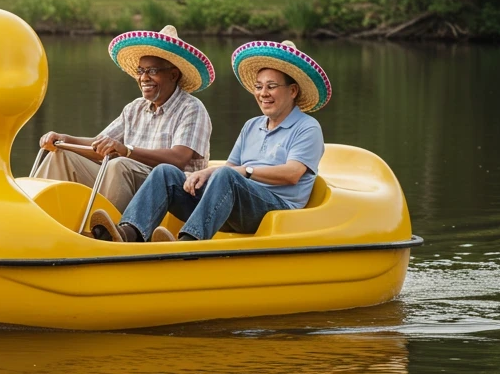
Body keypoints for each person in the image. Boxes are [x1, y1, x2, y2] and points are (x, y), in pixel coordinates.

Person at [90, 40, 331, 243]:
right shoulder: (252, 125)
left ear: (293, 91)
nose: (263, 93)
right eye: (258, 87)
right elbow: (229, 168)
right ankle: (128, 232)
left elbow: (292, 174)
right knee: (166, 172)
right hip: (235, 201)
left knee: (227, 176)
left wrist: (243, 172)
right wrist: (204, 174)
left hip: (275, 206)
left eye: (271, 87)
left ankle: (188, 242)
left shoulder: (307, 127)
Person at [36, 25, 215, 214]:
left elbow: (178, 159)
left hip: (171, 189)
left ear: (173, 74)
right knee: (62, 156)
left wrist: (126, 151)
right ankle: (38, 217)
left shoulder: (192, 108)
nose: (144, 77)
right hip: (125, 179)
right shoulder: (134, 108)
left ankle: (106, 232)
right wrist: (64, 140)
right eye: (140, 71)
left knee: (119, 164)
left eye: (152, 71)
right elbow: (100, 146)